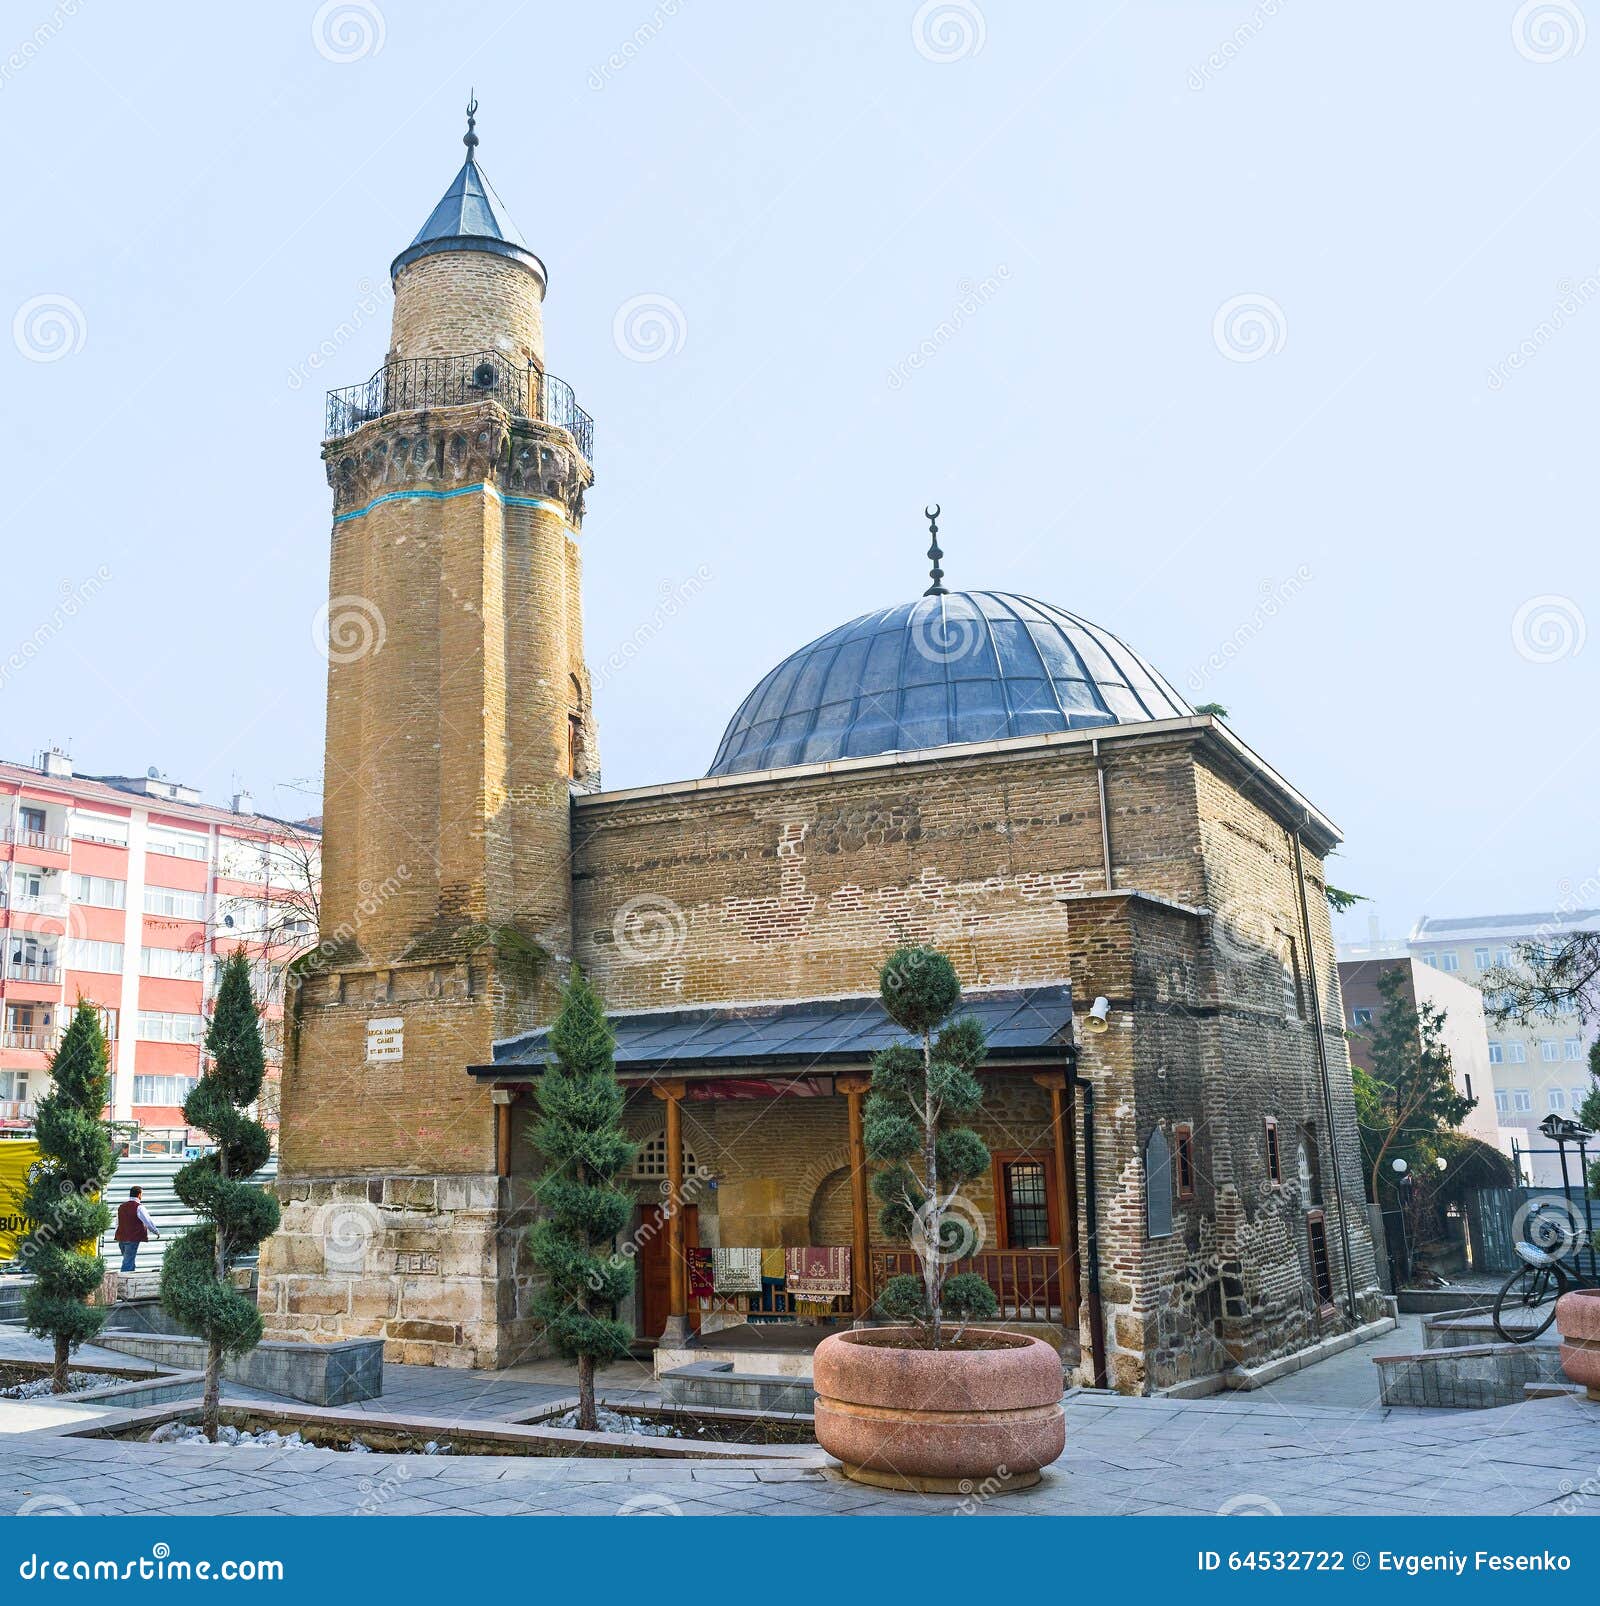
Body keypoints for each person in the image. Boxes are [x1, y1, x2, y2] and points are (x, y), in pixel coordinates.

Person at [113, 1186, 159, 1272]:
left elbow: (117, 1222)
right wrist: (156, 1231)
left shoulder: (121, 1207)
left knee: (128, 1260)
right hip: (132, 1238)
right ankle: (123, 1282)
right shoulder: (139, 1207)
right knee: (128, 1262)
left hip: (121, 1238)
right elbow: (147, 1221)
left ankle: (129, 1279)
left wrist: (117, 1234)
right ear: (139, 1195)